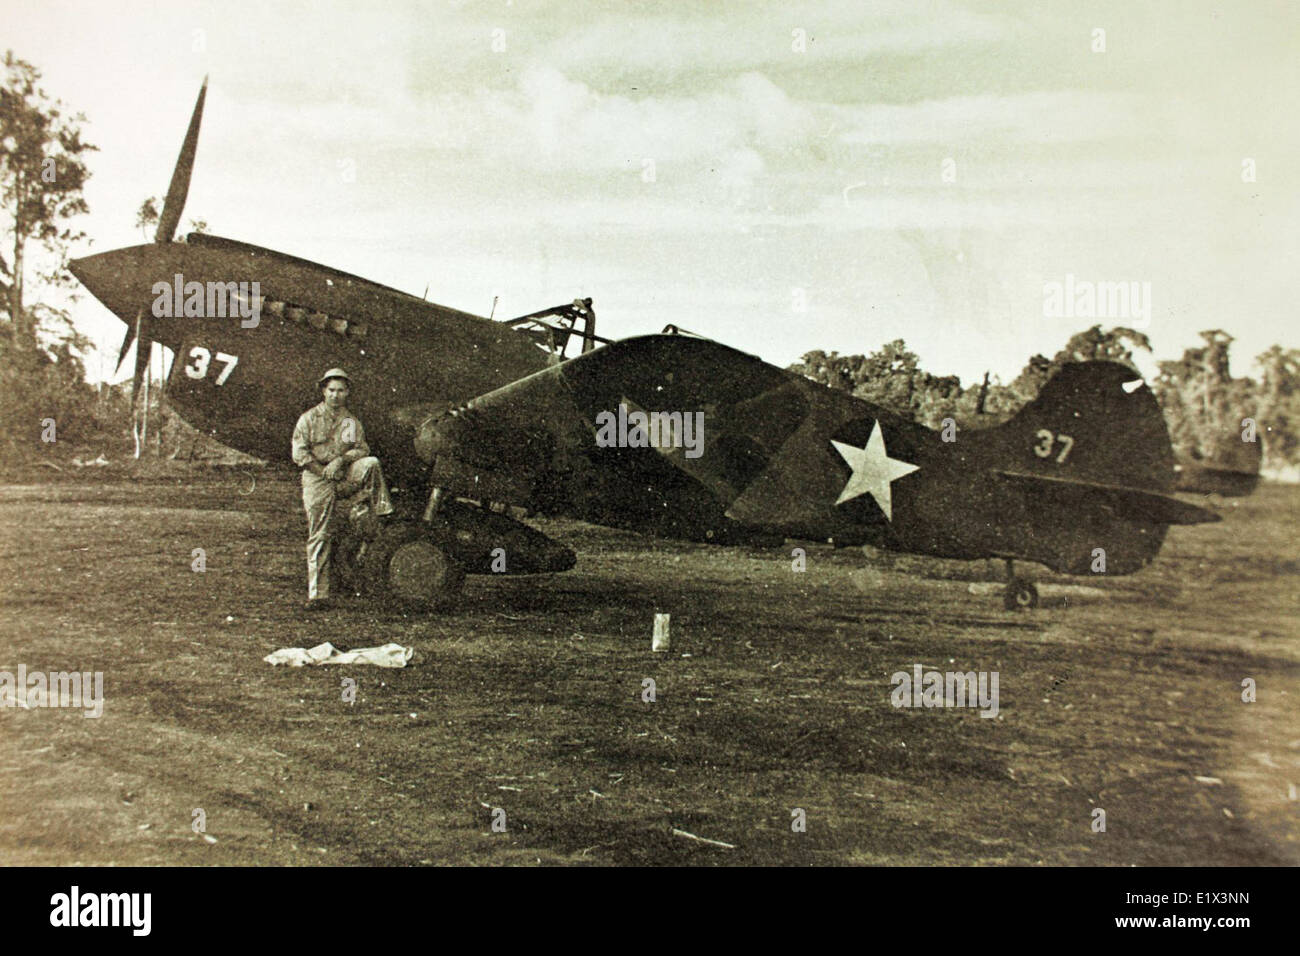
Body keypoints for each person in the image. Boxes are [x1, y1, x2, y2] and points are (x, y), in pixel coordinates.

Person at [291, 368, 394, 610]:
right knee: (320, 534)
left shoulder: (349, 421)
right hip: (317, 478)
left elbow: (361, 449)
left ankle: (382, 511)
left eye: (341, 390)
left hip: (342, 473)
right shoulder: (309, 419)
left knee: (371, 465)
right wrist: (323, 470)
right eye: (331, 390)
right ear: (323, 391)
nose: (336, 395)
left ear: (347, 393)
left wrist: (342, 460)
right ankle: (317, 595)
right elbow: (300, 454)